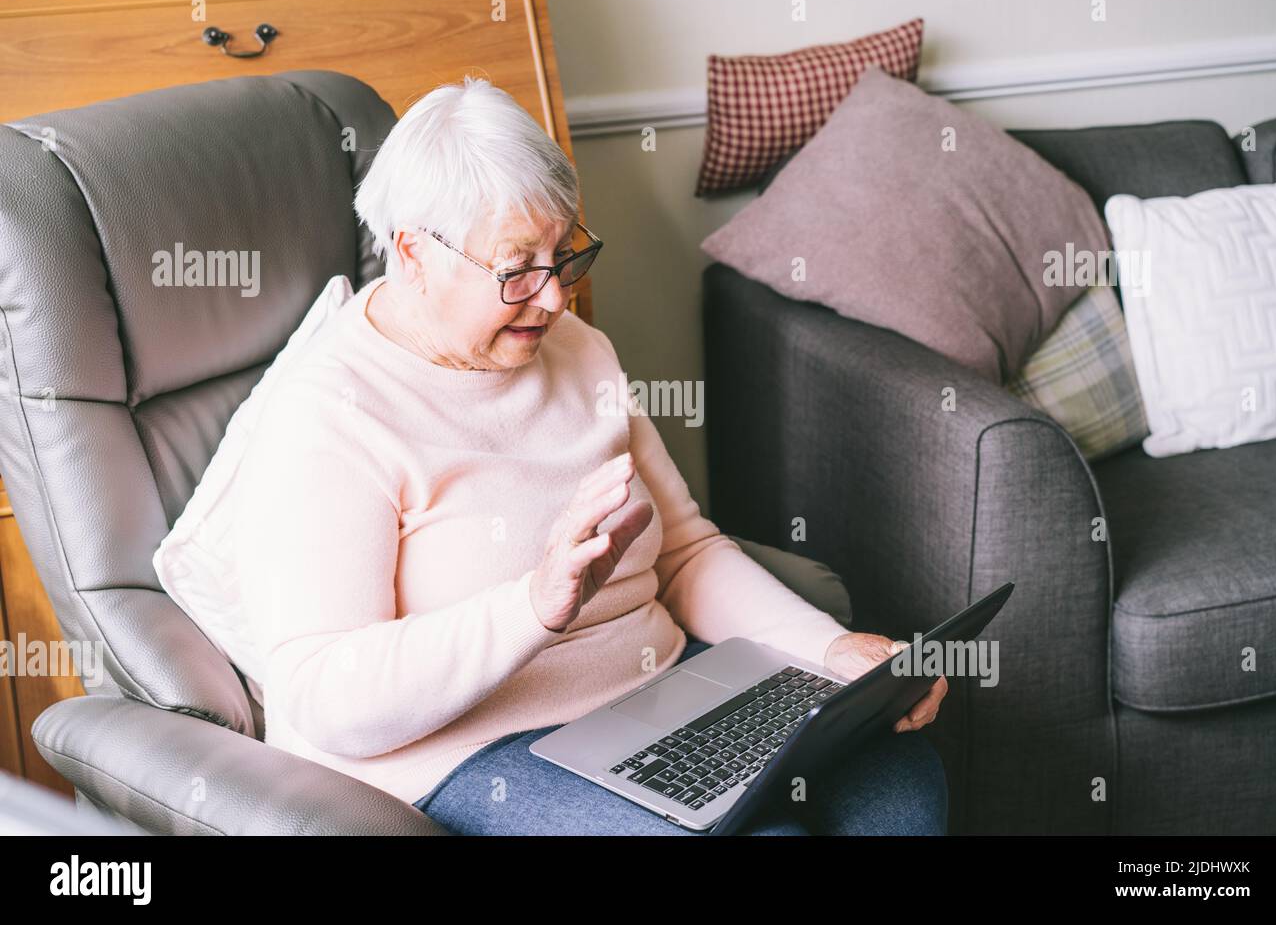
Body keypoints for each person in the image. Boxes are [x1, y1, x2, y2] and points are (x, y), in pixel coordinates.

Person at [234, 76, 949, 836]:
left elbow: (683, 553)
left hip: (657, 696)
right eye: (517, 268)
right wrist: (532, 606)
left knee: (894, 779)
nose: (554, 299)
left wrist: (831, 649)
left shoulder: (579, 351)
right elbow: (322, 694)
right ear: (414, 254)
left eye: (564, 254)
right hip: (469, 753)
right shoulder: (329, 414)